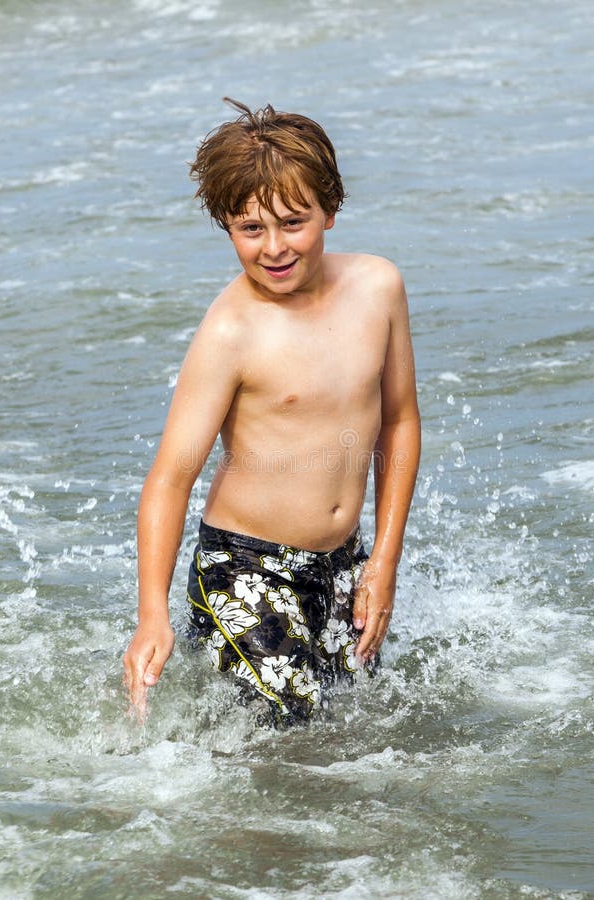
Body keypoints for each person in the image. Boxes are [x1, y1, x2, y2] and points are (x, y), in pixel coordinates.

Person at [123, 98, 420, 724]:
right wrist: (153, 614)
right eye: (250, 229)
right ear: (227, 229)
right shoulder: (232, 331)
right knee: (294, 744)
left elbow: (399, 422)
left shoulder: (378, 288)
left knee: (354, 734)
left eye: (293, 222)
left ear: (330, 211)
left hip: (343, 563)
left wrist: (384, 561)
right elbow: (170, 478)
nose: (274, 247)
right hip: (244, 570)